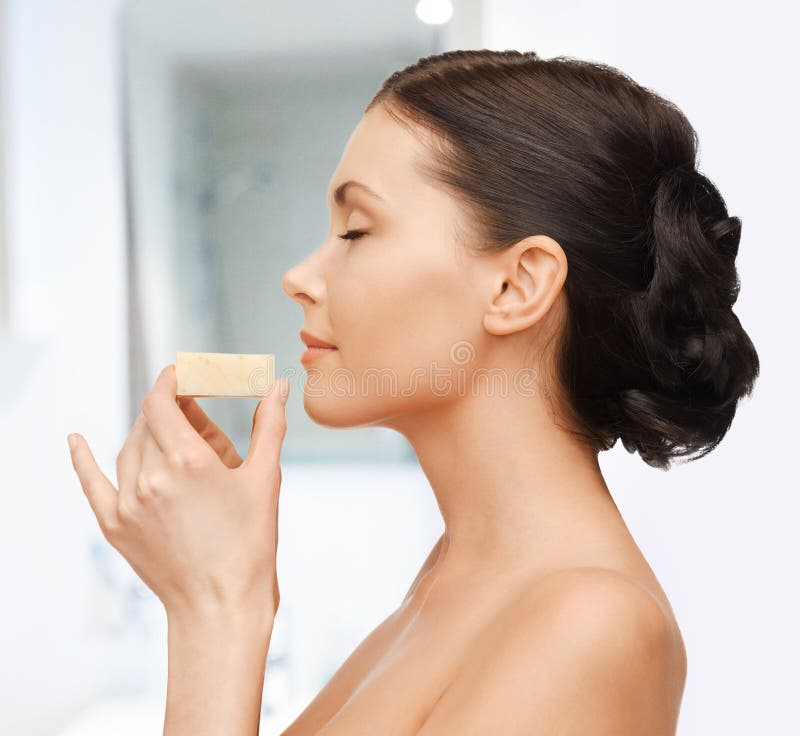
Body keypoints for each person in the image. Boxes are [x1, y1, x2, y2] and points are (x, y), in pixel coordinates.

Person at [68, 49, 760, 735]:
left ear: (517, 286)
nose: (301, 277)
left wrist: (216, 609)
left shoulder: (589, 623)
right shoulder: (454, 579)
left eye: (356, 230)